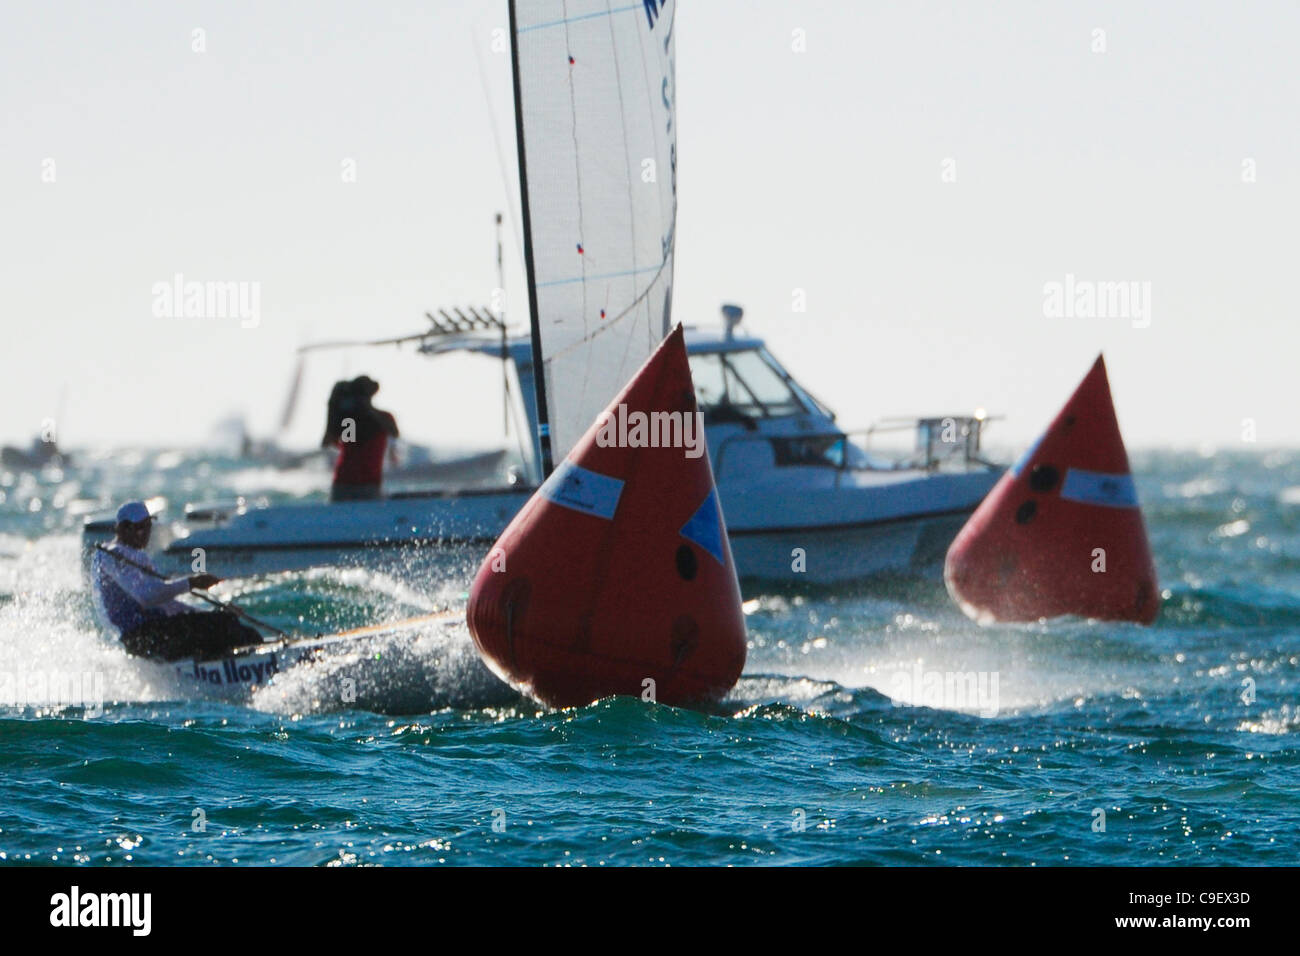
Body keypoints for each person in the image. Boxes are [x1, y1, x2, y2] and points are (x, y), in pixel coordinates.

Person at [90, 501, 262, 661]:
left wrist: (211, 612)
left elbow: (166, 604)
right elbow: (146, 597)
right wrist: (191, 583)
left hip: (157, 630)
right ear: (123, 529)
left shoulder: (138, 556)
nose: (147, 533)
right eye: (141, 527)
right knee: (223, 627)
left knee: (227, 622)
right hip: (139, 638)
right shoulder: (111, 554)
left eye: (149, 526)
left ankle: (235, 664)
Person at [321, 375, 400, 501]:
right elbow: (331, 441)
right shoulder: (350, 421)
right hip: (346, 483)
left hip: (368, 483)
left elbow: (394, 433)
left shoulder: (382, 418)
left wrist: (368, 411)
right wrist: (333, 411)